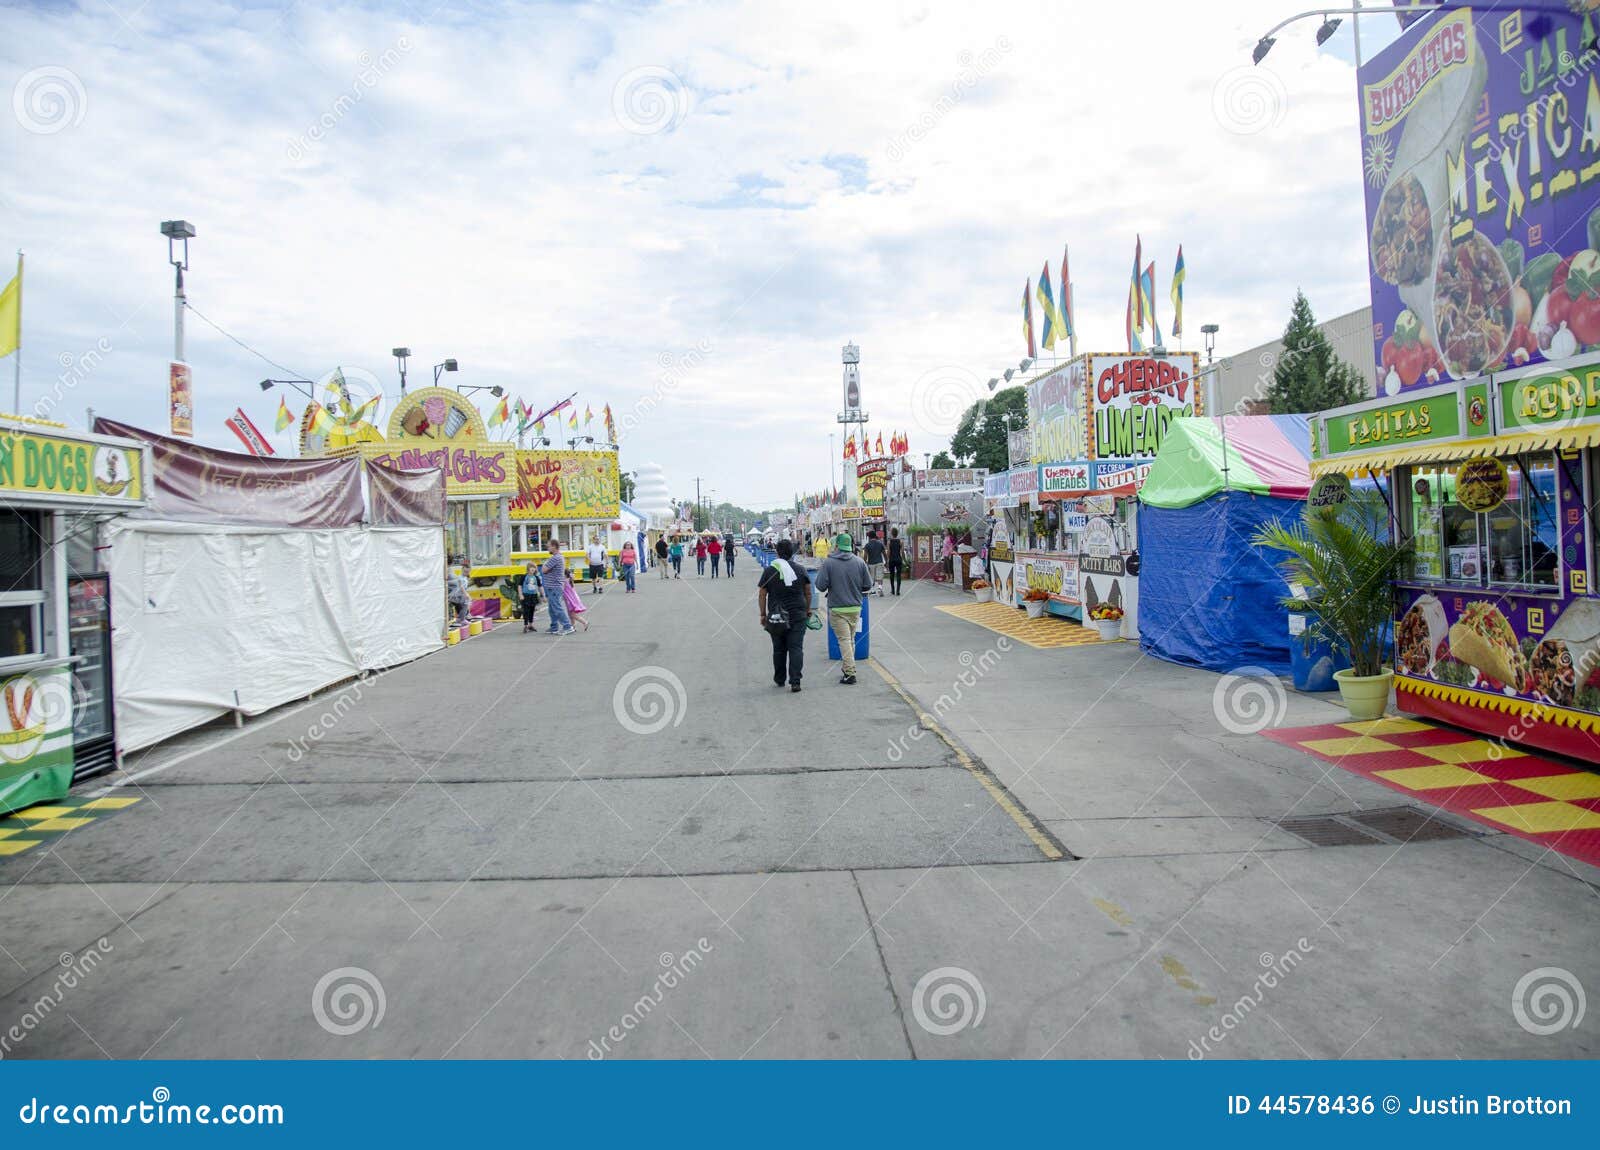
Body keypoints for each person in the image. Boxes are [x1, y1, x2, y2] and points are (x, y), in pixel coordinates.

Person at [813, 532, 873, 685]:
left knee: (844, 640)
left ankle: (850, 672)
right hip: (856, 608)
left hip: (838, 609)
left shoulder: (829, 563)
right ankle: (847, 669)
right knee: (850, 639)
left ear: (837, 546)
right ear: (850, 545)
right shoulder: (859, 562)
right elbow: (868, 585)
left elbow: (820, 585)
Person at [757, 539, 814, 693]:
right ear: (792, 552)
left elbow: (762, 594)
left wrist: (763, 614)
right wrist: (808, 610)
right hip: (798, 614)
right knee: (796, 647)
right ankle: (795, 681)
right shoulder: (801, 570)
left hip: (776, 616)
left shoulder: (769, 571)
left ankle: (780, 678)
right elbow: (808, 592)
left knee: (779, 648)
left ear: (777, 552)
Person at [542, 541, 574, 635]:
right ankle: (554, 627)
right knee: (552, 608)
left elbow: (544, 570)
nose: (547, 548)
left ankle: (567, 626)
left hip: (554, 587)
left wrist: (545, 564)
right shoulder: (559, 557)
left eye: (548, 547)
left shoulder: (555, 558)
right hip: (554, 586)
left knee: (557, 607)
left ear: (554, 547)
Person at [447, 560, 471, 626]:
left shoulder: (465, 577)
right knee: (465, 604)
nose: (466, 573)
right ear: (462, 570)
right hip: (456, 596)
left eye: (467, 572)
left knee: (465, 605)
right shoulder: (460, 578)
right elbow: (461, 587)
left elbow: (464, 587)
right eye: (465, 571)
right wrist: (466, 594)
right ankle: (461, 619)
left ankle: (461, 618)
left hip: (459, 596)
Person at [863, 529, 886, 597]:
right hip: (879, 562)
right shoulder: (880, 543)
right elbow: (884, 553)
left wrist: (864, 563)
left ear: (869, 537)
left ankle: (873, 591)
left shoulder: (867, 545)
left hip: (871, 563)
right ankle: (880, 588)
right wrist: (886, 561)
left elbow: (865, 555)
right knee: (880, 576)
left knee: (871, 577)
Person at [520, 561, 542, 632]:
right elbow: (519, 586)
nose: (533, 569)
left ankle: (530, 625)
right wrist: (520, 595)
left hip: (533, 595)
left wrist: (543, 595)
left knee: (532, 610)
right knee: (526, 611)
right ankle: (525, 625)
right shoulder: (524, 577)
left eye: (534, 568)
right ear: (528, 568)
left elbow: (540, 586)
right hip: (526, 595)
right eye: (531, 567)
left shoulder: (536, 577)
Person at [887, 527, 904, 596]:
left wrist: (888, 560)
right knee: (899, 575)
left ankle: (893, 590)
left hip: (892, 559)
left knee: (892, 574)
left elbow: (888, 552)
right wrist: (903, 559)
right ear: (897, 533)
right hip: (898, 559)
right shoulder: (901, 541)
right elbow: (902, 552)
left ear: (891, 533)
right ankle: (898, 591)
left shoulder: (889, 542)